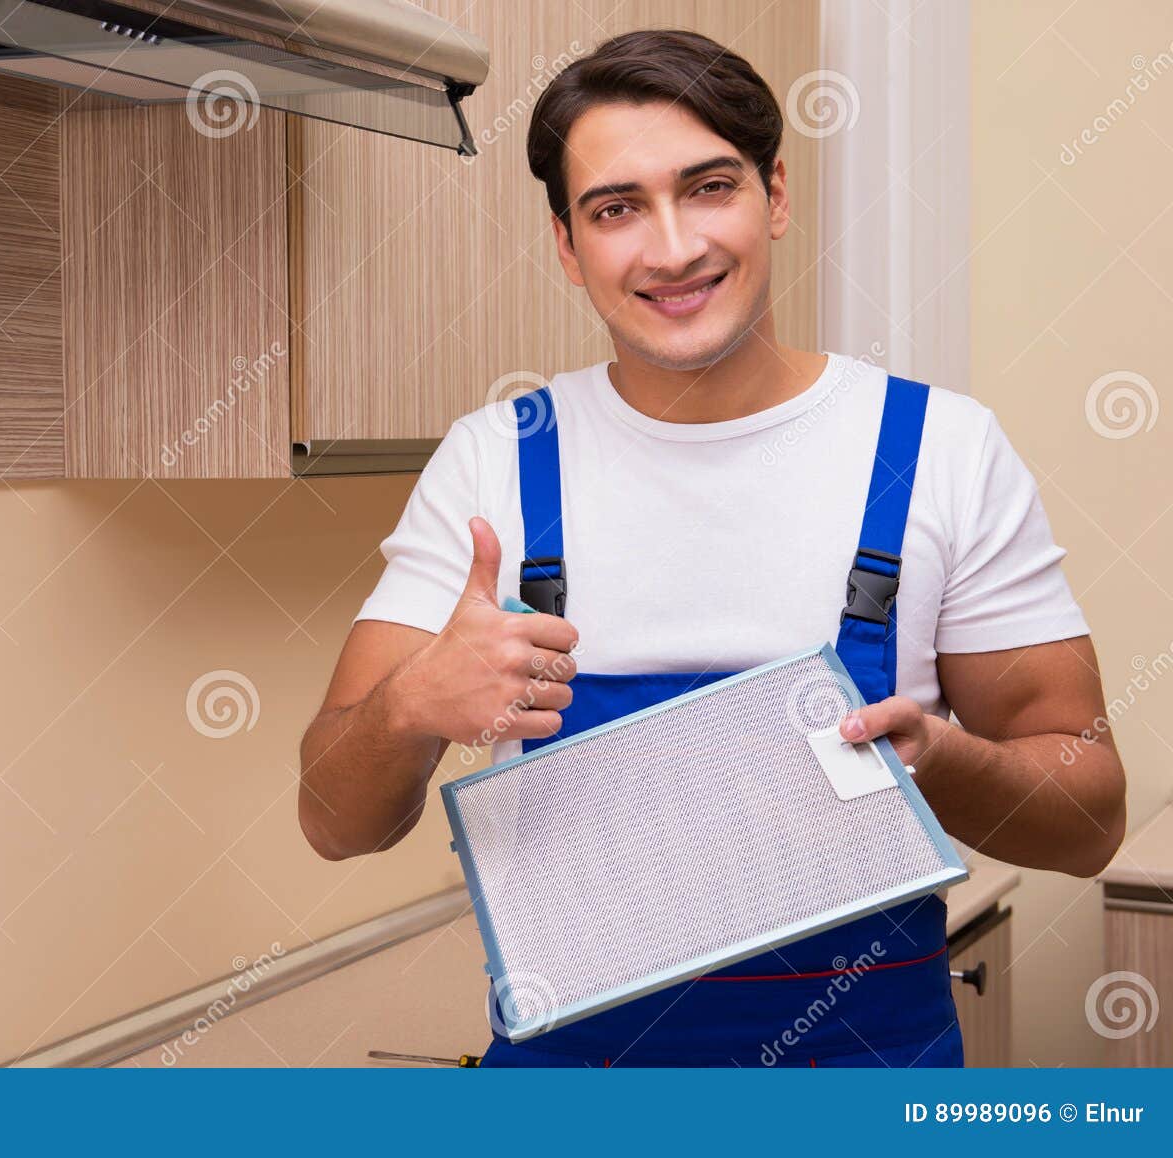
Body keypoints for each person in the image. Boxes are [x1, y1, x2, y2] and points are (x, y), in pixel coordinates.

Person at [297, 28, 1126, 1067]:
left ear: (775, 196)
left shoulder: (940, 452)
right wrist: (413, 703)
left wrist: (940, 760)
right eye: (615, 209)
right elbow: (333, 819)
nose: (672, 247)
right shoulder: (493, 466)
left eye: (708, 187)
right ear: (567, 245)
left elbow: (1088, 819)